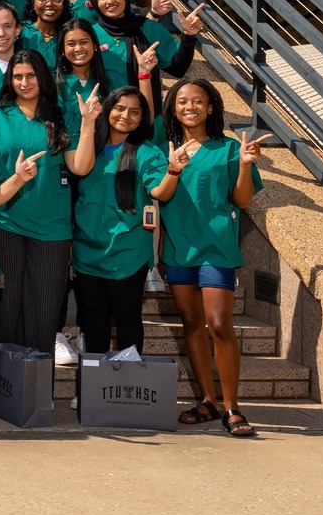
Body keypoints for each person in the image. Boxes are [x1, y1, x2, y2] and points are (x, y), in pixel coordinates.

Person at [152, 80, 270, 437]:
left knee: (218, 324)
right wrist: (173, 166)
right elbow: (160, 193)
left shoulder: (230, 149)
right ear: (173, 108)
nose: (190, 106)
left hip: (216, 248)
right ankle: (207, 400)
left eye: (198, 101)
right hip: (178, 249)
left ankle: (232, 406)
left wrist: (246, 165)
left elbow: (244, 200)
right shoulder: (164, 150)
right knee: (191, 324)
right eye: (182, 101)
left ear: (210, 107)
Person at [0, 49, 97, 355]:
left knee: (43, 317)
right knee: (5, 313)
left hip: (52, 229)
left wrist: (88, 124)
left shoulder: (58, 116)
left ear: (42, 77)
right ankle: (5, 394)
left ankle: (36, 395)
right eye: (17, 76)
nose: (24, 82)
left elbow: (80, 167)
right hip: (3, 223)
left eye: (30, 75)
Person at [70, 86, 167, 365]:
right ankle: (93, 391)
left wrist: (172, 171)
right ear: (108, 109)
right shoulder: (90, 146)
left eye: (135, 112)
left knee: (127, 318)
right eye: (120, 108)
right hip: (88, 250)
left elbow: (160, 190)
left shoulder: (147, 153)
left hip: (127, 252)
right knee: (93, 320)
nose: (126, 115)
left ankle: (126, 393)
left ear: (142, 119)